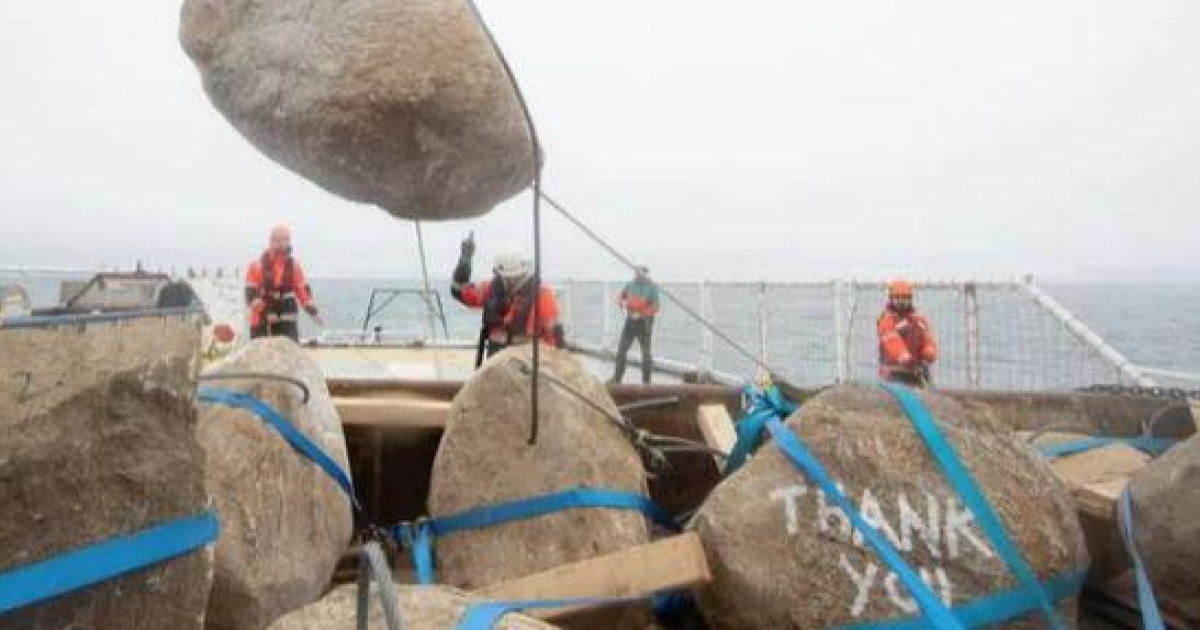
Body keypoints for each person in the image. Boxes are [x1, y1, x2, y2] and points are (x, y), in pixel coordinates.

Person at [451, 233, 565, 362]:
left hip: (526, 364)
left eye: (516, 277)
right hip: (495, 362)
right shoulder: (490, 289)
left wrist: (556, 365)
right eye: (507, 277)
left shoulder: (543, 295)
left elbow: (554, 337)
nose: (511, 281)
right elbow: (459, 291)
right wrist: (465, 260)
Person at [244, 224, 322, 342]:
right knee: (262, 357)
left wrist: (313, 311)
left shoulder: (294, 266)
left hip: (287, 321)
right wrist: (265, 311)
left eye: (286, 239)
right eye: (278, 239)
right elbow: (250, 294)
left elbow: (303, 290)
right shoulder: (256, 266)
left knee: (290, 354)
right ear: (271, 240)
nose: (282, 243)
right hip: (262, 321)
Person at [878, 280, 938, 386]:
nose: (902, 301)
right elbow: (892, 342)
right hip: (894, 373)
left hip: (917, 372)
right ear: (891, 299)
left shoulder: (918, 320)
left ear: (910, 299)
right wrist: (907, 359)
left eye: (905, 297)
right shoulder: (887, 320)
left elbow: (928, 340)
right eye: (898, 297)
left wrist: (927, 357)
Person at [611, 263, 660, 385]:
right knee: (622, 349)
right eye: (637, 271)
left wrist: (643, 314)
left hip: (644, 323)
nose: (638, 273)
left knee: (645, 352)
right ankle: (617, 378)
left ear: (645, 272)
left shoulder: (652, 287)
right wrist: (622, 303)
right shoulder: (629, 284)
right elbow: (620, 297)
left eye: (642, 271)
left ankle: (646, 381)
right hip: (630, 321)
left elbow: (656, 306)